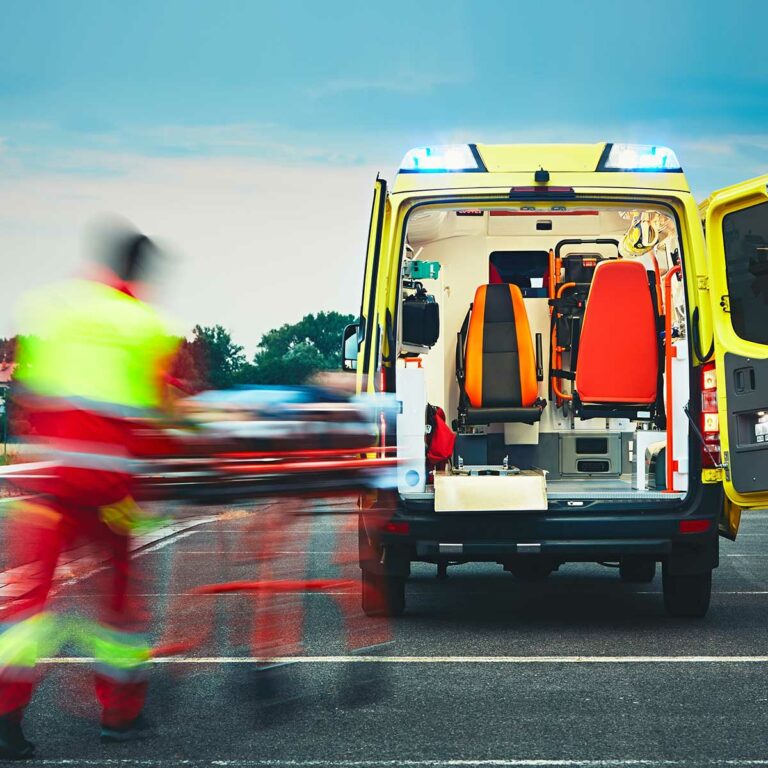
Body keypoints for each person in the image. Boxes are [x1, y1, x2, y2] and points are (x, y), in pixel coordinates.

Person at [0, 222, 178, 759]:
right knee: (120, 609)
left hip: (49, 482)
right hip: (109, 490)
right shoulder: (145, 327)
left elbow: (28, 392)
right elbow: (154, 415)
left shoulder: (54, 309)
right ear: (142, 273)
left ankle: (6, 720)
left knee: (26, 606)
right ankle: (120, 717)